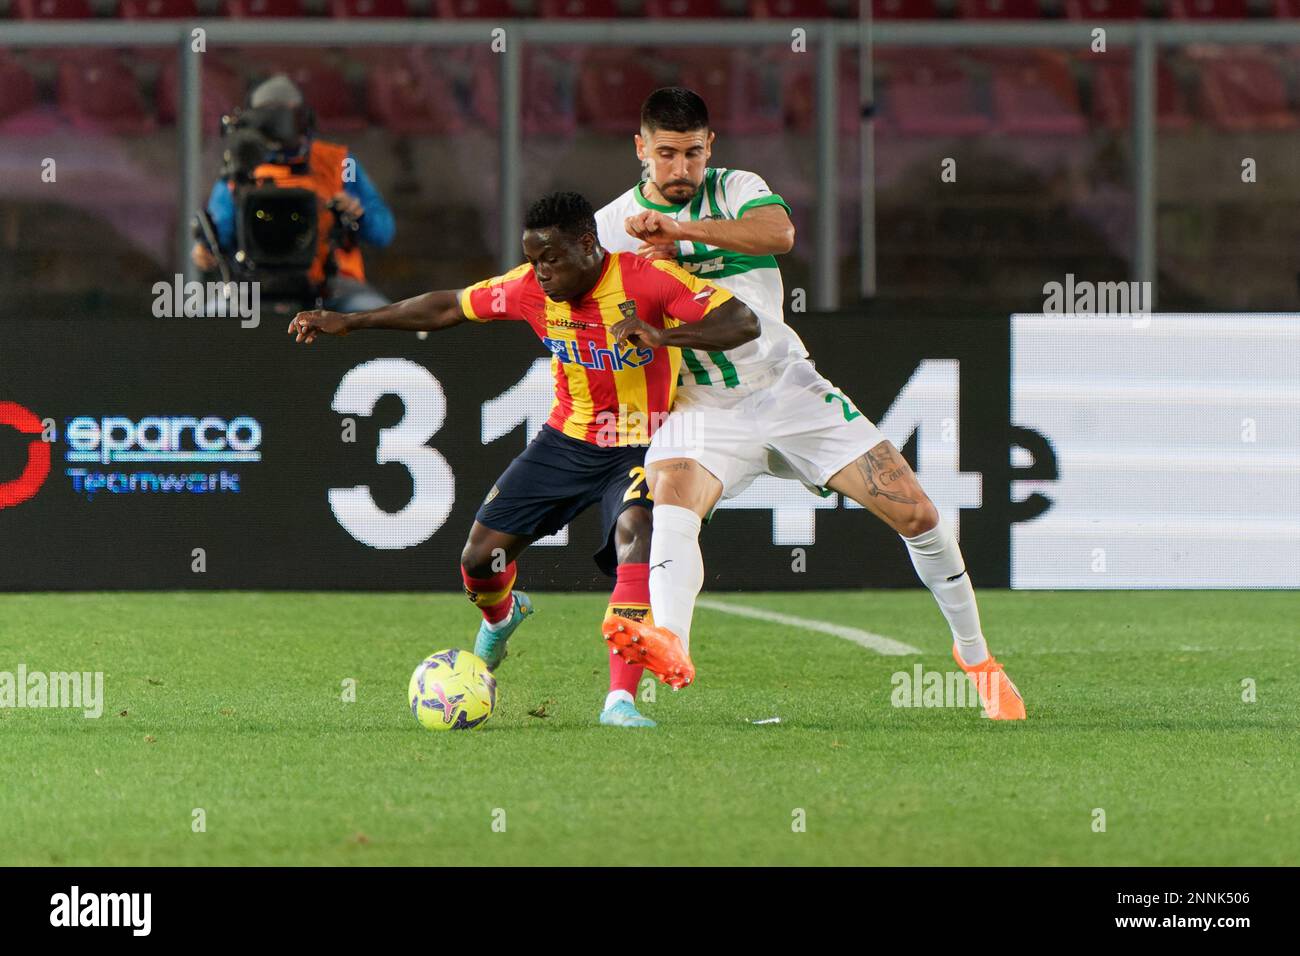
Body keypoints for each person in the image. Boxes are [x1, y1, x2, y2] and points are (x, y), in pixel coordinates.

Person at [595, 88, 1025, 720]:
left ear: (709, 147)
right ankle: (672, 643)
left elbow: (780, 233)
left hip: (785, 388)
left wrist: (680, 234)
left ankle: (978, 659)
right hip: (700, 405)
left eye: (691, 153)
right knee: (671, 497)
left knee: (917, 513)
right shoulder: (609, 228)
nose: (680, 168)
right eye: (665, 154)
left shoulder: (737, 188)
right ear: (640, 150)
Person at [289, 191, 759, 727]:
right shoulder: (530, 288)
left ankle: (620, 702)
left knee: (638, 534)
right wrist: (351, 322)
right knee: (478, 560)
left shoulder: (646, 280)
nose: (540, 274)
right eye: (534, 261)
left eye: (551, 259)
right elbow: (448, 305)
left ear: (588, 245)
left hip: (642, 443)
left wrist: (664, 335)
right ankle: (503, 616)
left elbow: (742, 322)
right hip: (566, 442)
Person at [193, 74, 394, 313]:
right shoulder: (240, 169)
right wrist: (204, 251)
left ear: (304, 119)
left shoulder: (339, 164)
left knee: (375, 315)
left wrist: (359, 215)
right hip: (256, 285)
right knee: (207, 317)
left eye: (289, 118)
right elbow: (219, 235)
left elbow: (384, 231)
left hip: (329, 284)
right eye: (271, 118)